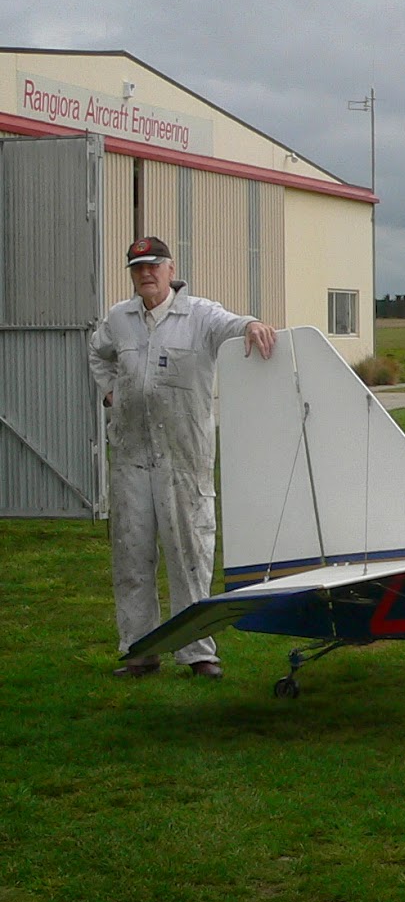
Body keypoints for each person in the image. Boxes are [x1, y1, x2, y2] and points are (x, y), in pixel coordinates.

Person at [88, 237, 277, 679]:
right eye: (138, 268)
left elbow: (233, 325)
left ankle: (197, 653)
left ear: (171, 270)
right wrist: (111, 391)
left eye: (153, 266)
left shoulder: (200, 315)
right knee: (131, 556)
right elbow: (98, 351)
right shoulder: (119, 318)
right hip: (131, 456)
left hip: (183, 459)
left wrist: (254, 324)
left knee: (189, 554)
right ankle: (139, 651)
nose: (146, 274)